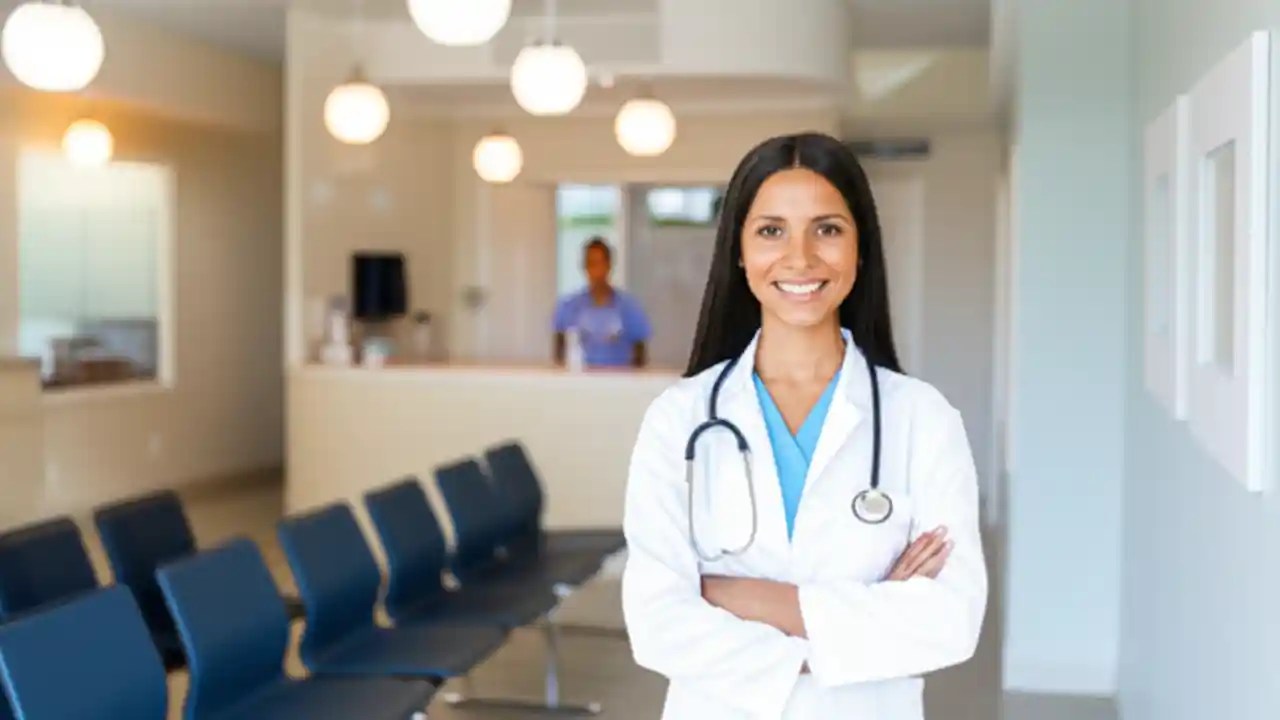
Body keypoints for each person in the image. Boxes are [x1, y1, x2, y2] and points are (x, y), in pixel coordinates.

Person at [621, 133, 987, 719]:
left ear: (860, 247)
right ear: (738, 250)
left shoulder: (922, 418)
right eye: (771, 230)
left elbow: (951, 620)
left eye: (827, 229)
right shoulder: (680, 418)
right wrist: (865, 622)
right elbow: (655, 622)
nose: (800, 257)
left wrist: (742, 598)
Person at [553, 237, 652, 368]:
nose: (597, 270)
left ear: (609, 265)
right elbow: (559, 354)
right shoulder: (568, 307)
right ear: (584, 267)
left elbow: (640, 356)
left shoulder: (629, 308)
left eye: (601, 263)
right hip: (579, 382)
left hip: (620, 381)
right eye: (591, 264)